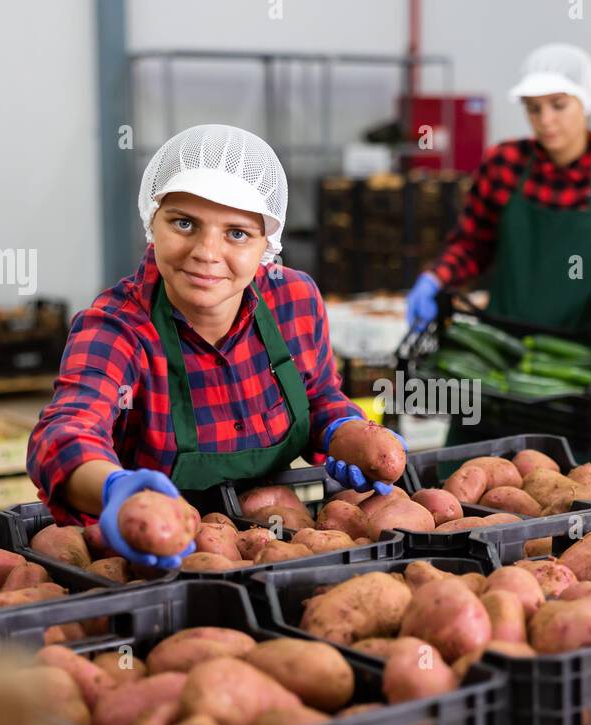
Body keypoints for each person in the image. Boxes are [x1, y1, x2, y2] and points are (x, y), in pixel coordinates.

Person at [26, 124, 403, 569]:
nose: (206, 252)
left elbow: (318, 395)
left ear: (268, 243)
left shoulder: (294, 299)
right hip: (159, 560)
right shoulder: (116, 327)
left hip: (280, 543)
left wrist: (346, 431)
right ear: (152, 221)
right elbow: (65, 433)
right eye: (184, 223)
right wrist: (116, 491)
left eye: (237, 233)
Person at [405, 43, 591, 458]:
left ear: (586, 102)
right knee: (463, 485)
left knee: (568, 493)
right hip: (495, 359)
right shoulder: (504, 164)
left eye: (558, 105)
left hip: (572, 372)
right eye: (533, 108)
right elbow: (471, 244)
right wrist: (437, 277)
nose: (545, 121)